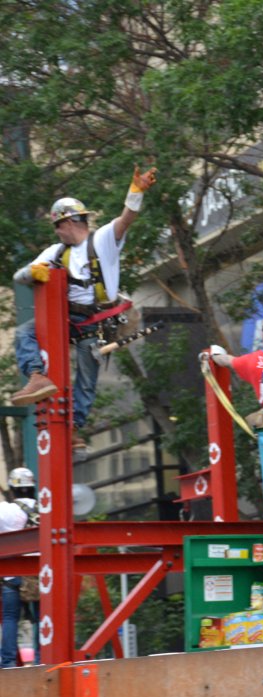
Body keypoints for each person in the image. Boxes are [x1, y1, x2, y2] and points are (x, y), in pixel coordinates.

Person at [11, 167, 159, 450]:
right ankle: (37, 376)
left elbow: (126, 219)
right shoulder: (56, 252)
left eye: (58, 226)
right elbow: (20, 276)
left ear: (69, 222)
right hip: (67, 319)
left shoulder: (102, 240)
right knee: (24, 333)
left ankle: (73, 428)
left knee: (86, 381)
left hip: (98, 324)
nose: (56, 232)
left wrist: (136, 192)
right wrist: (33, 272)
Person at [1, 468, 39, 668]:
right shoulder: (46, 510)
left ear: (13, 488)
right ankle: (43, 660)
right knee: (43, 619)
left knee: (10, 617)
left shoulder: (5, 510)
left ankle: (8, 664)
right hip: (41, 574)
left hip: (13, 574)